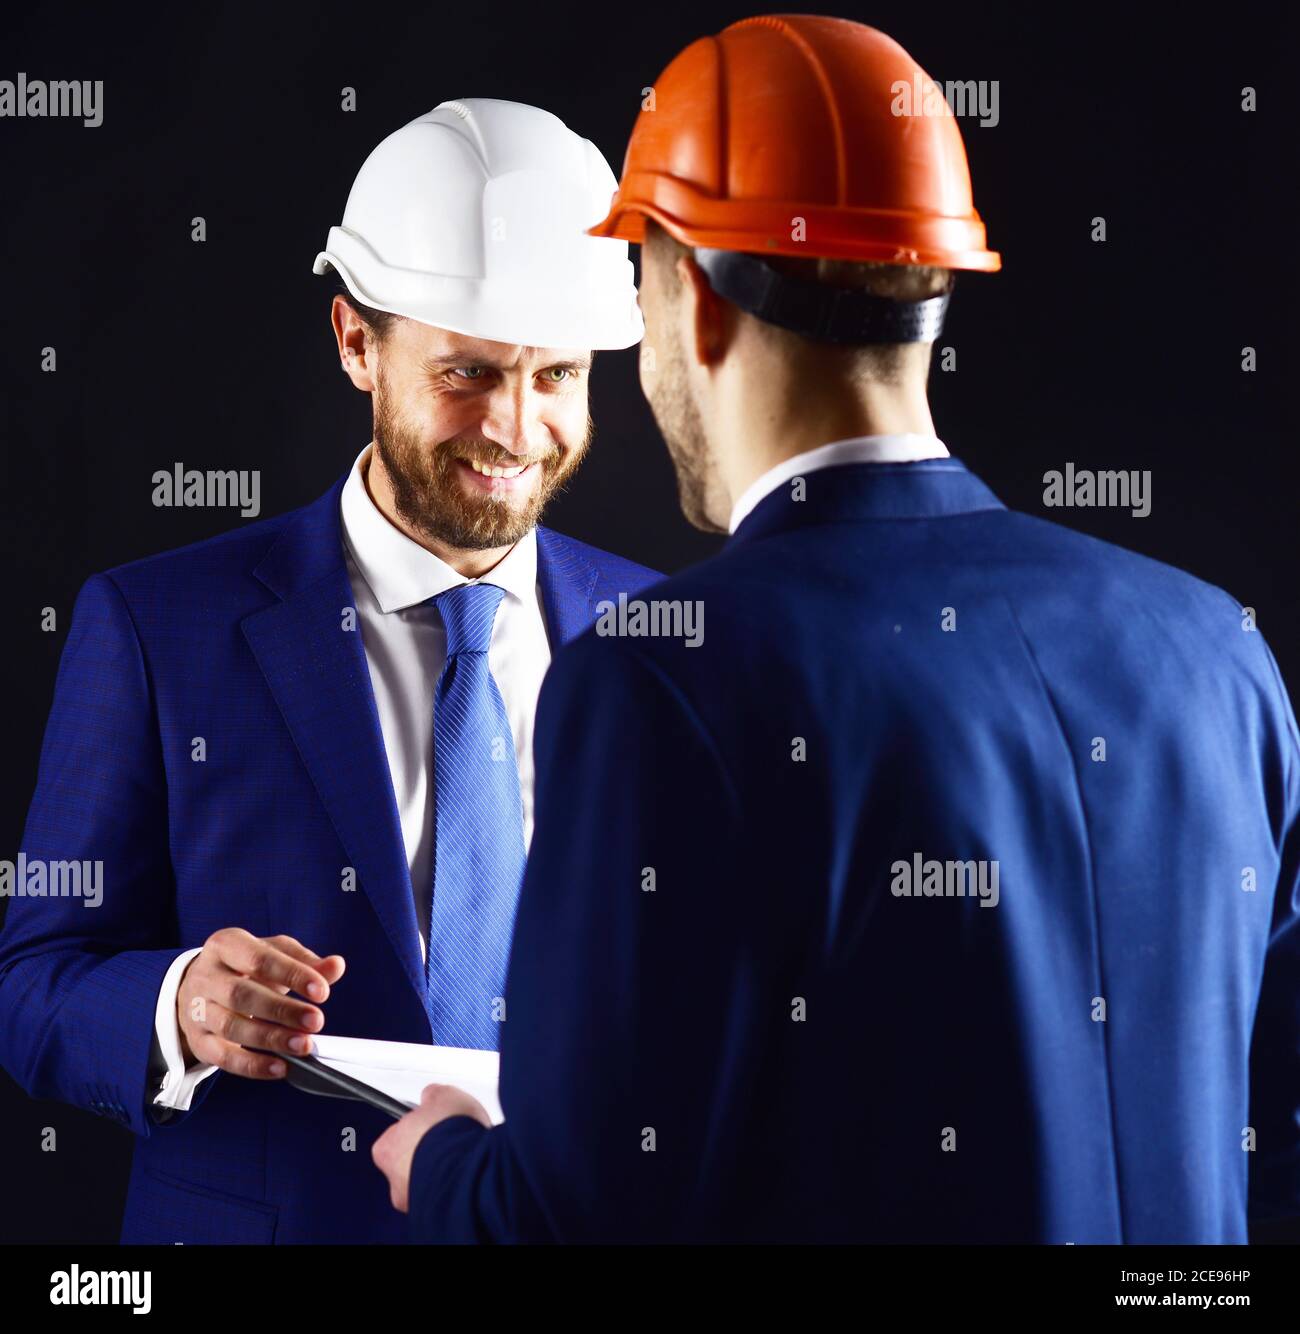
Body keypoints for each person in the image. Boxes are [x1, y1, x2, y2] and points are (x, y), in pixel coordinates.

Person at [374, 18, 1300, 1243]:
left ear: (688, 301)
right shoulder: (1212, 646)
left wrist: (439, 1157)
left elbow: (573, 1214)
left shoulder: (663, 674)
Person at [0, 98, 658, 1244]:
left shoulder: (664, 630)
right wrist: (175, 1003)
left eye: (557, 374)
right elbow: (32, 984)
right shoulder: (159, 624)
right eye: (466, 372)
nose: (515, 426)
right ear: (356, 341)